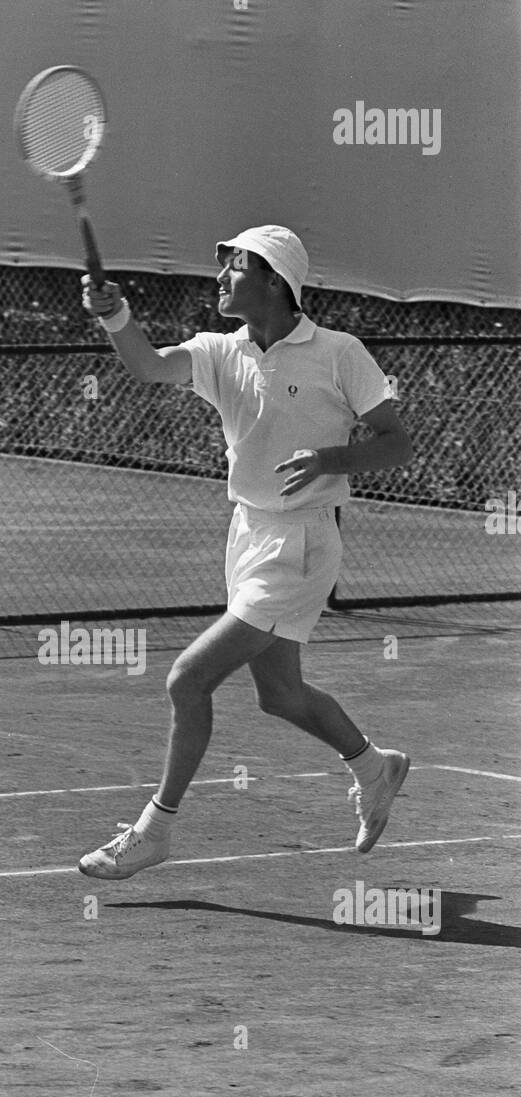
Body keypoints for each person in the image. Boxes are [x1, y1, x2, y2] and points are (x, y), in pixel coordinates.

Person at [78, 225, 413, 881]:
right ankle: (376, 769)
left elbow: (396, 443)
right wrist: (113, 313)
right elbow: (148, 365)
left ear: (272, 280)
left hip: (301, 542)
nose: (221, 277)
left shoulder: (338, 353)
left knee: (187, 678)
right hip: (248, 534)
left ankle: (154, 830)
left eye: (235, 267)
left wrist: (332, 458)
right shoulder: (217, 351)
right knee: (280, 694)